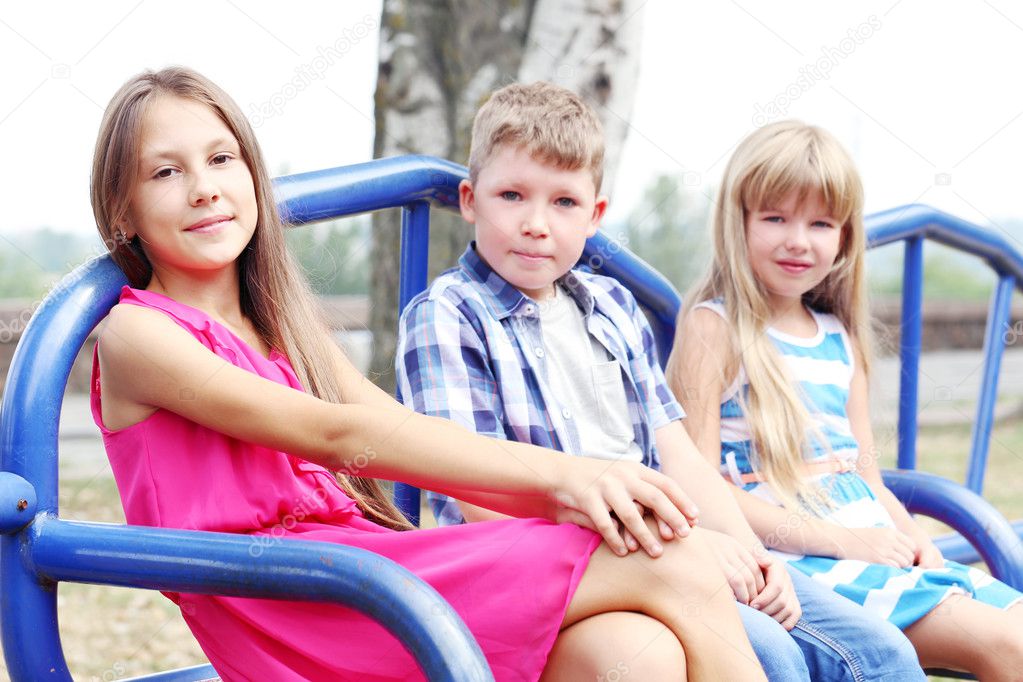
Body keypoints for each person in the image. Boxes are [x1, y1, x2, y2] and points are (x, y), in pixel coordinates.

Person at [88, 66, 766, 682]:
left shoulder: (287, 329)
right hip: (294, 597)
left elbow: (401, 428)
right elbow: (336, 433)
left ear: (251, 175)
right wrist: (571, 475)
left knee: (628, 652)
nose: (204, 188)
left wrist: (567, 496)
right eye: (165, 173)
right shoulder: (138, 334)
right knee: (674, 560)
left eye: (219, 158)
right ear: (124, 209)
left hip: (357, 566)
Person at [396, 82, 926, 681]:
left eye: (565, 202)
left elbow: (680, 456)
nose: (536, 224)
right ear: (470, 200)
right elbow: (475, 498)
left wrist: (753, 555)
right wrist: (687, 546)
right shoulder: (448, 315)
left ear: (596, 215)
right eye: (512, 195)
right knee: (770, 654)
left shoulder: (614, 307)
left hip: (672, 548)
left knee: (882, 654)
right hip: (546, 570)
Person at [666, 119, 1023, 678]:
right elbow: (700, 486)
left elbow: (868, 477)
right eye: (775, 217)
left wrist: (914, 538)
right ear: (738, 224)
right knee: (1007, 643)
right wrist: (845, 542)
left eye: (820, 222)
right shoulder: (716, 330)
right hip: (803, 564)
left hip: (871, 548)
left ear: (844, 237)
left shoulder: (840, 337)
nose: (797, 240)